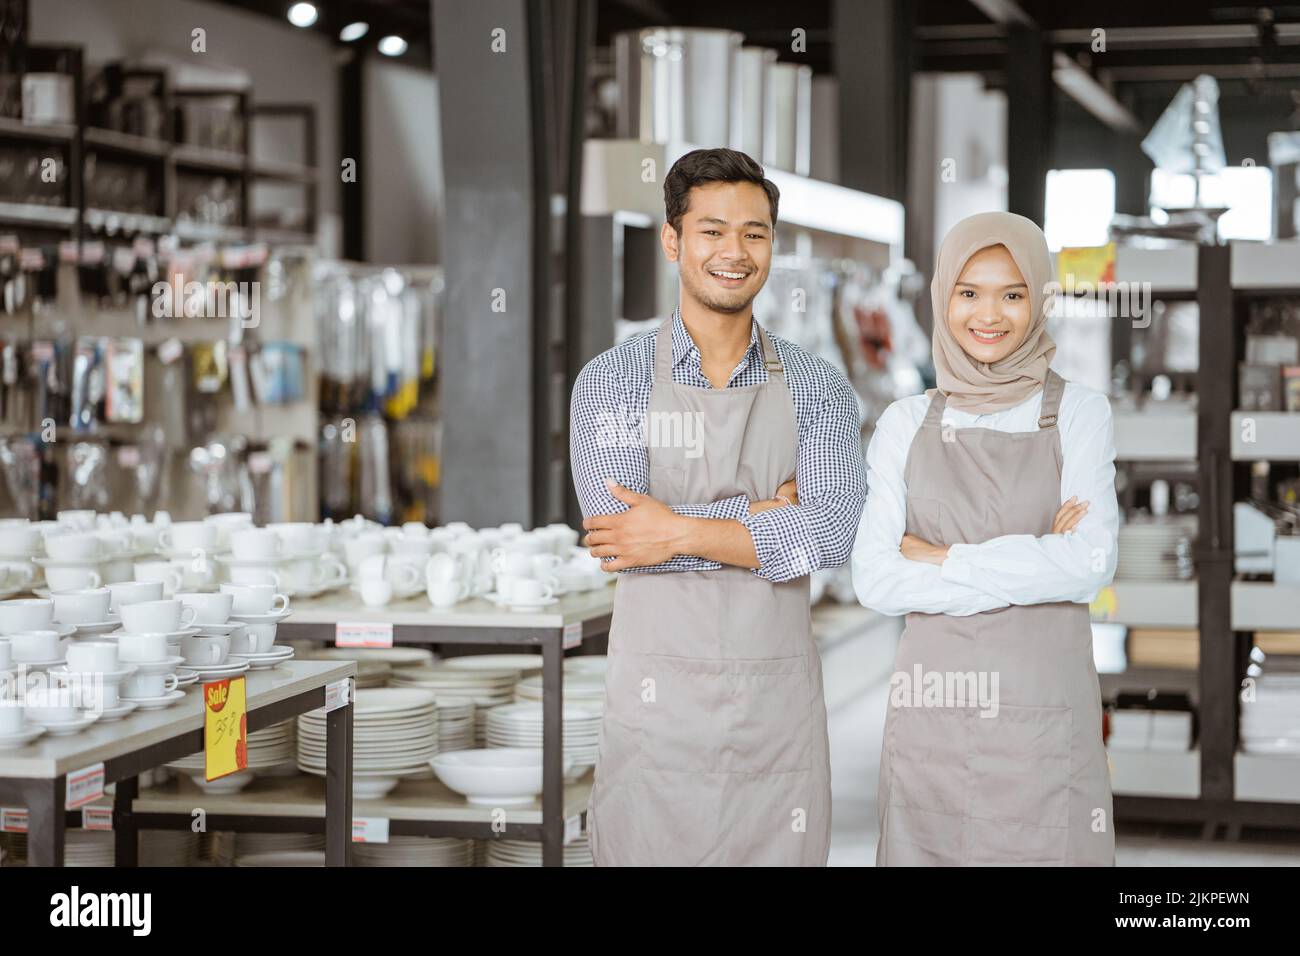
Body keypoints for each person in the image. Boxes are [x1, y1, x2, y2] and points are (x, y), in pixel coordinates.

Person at [570, 147, 865, 866]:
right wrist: (765, 520)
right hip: (655, 714)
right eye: (712, 231)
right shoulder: (610, 381)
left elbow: (831, 536)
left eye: (754, 233)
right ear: (673, 239)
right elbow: (620, 539)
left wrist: (673, 530)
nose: (735, 252)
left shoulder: (819, 386)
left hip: (776, 714)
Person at [852, 210, 1118, 866]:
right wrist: (1035, 556)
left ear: (1039, 299)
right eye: (968, 293)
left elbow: (1089, 562)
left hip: (1044, 728)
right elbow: (876, 579)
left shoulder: (1080, 413)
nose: (988, 314)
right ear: (943, 298)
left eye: (1012, 293)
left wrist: (943, 557)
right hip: (934, 729)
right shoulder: (905, 422)